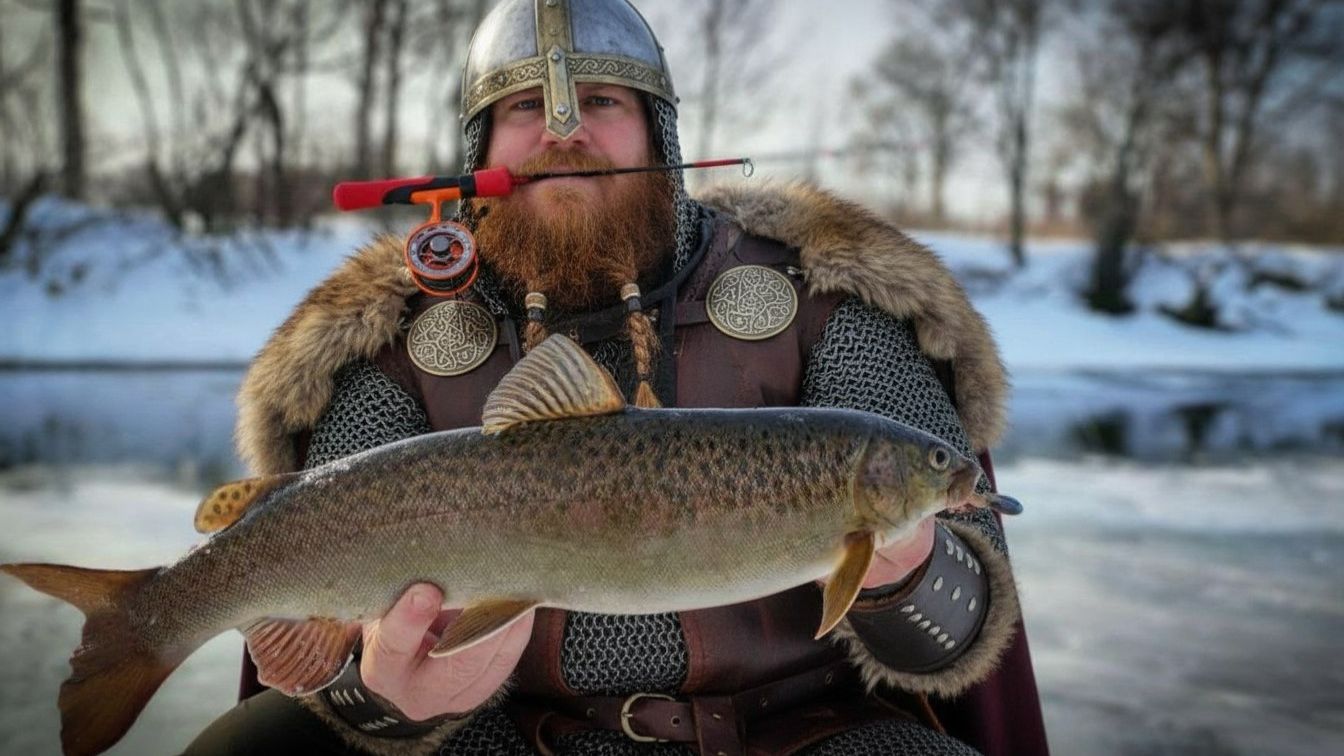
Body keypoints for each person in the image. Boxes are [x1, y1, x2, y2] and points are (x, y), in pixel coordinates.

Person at [189, 0, 1048, 753]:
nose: (565, 133)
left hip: (802, 735)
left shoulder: (818, 299)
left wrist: (903, 570)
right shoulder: (393, 345)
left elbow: (966, 640)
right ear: (480, 146)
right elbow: (318, 674)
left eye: (600, 101)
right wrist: (390, 701)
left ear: (658, 134)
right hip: (498, 738)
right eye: (526, 107)